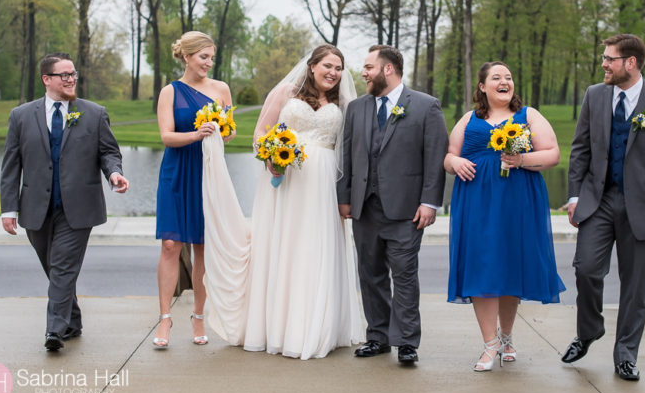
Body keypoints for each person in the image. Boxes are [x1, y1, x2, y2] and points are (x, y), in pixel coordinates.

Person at [202, 44, 364, 360]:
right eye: (327, 66)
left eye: (338, 68)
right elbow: (261, 132)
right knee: (285, 245)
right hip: (287, 180)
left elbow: (349, 148)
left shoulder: (343, 102)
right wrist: (271, 157)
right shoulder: (286, 91)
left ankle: (317, 326)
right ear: (312, 65)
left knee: (316, 248)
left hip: (323, 183)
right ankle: (278, 327)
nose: (333, 73)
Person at [561, 34, 645, 381]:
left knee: (634, 285)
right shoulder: (594, 95)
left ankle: (626, 355)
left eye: (609, 59)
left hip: (642, 206)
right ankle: (589, 331)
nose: (603, 64)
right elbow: (580, 149)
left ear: (630, 63)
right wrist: (574, 196)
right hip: (598, 201)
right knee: (586, 270)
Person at [0, 52, 129, 352]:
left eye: (73, 74)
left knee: (61, 267)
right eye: (65, 75)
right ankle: (72, 320)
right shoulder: (21, 116)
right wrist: (8, 208)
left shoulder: (94, 113)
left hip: (79, 207)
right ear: (47, 79)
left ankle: (54, 330)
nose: (71, 79)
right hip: (36, 208)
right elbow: (11, 165)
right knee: (54, 268)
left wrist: (114, 173)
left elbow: (109, 152)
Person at [444, 61, 565, 371]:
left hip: (517, 202)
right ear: (482, 86)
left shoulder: (528, 115)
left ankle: (507, 336)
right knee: (482, 267)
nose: (504, 81)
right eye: (496, 77)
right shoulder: (469, 118)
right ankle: (490, 344)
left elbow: (553, 153)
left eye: (508, 77)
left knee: (510, 265)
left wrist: (521, 159)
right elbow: (450, 154)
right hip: (477, 202)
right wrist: (454, 164)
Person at [337, 45, 448, 365]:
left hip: (407, 209)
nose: (363, 73)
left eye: (369, 67)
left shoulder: (426, 106)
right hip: (365, 207)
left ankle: (407, 342)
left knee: (404, 274)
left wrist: (430, 202)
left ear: (388, 69)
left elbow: (435, 157)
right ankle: (378, 337)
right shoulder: (356, 108)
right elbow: (346, 156)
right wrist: (345, 197)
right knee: (370, 274)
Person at [154, 31, 235, 348]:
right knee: (170, 244)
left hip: (207, 172)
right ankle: (165, 319)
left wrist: (219, 130)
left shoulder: (221, 89)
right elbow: (166, 136)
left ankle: (198, 316)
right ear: (186, 56)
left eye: (211, 57)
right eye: (203, 57)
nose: (208, 63)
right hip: (176, 172)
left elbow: (229, 134)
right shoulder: (169, 92)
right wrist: (196, 134)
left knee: (202, 246)